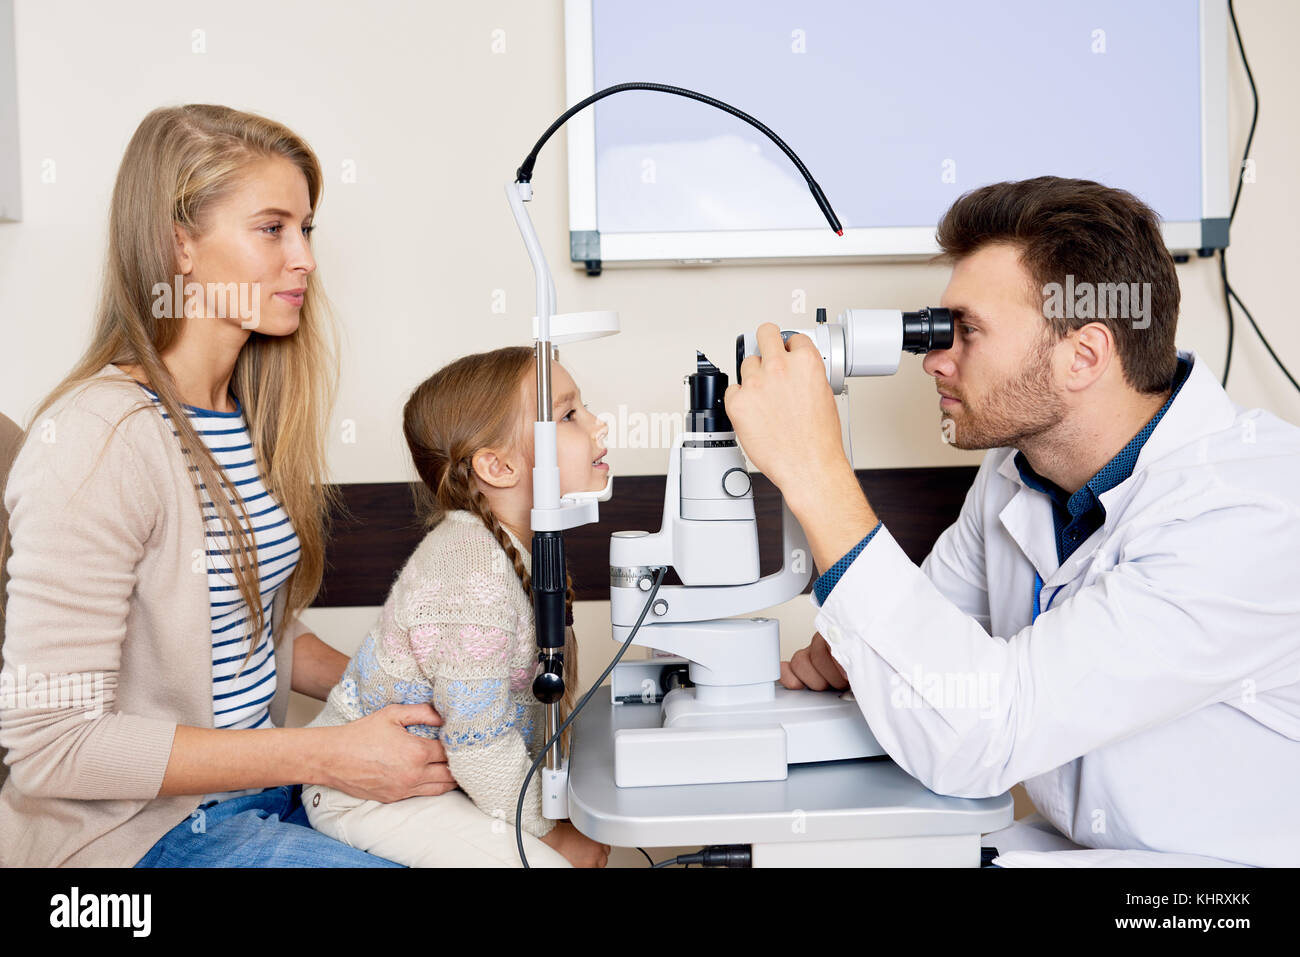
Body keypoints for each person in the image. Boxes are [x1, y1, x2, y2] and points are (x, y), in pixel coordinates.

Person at [723, 176, 1300, 867]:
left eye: (965, 331)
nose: (936, 358)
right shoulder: (1015, 470)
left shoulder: (1251, 512)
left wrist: (816, 471)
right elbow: (928, 647)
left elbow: (982, 729)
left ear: (1083, 355)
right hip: (1091, 848)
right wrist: (860, 655)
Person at [0, 104, 453, 867]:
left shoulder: (242, 418)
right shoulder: (97, 438)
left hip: (264, 796)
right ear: (180, 243)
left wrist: (393, 699)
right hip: (137, 837)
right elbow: (52, 741)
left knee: (543, 841)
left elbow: (251, 635)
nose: (304, 257)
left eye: (306, 228)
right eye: (272, 228)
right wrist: (326, 754)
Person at [302, 347, 613, 868]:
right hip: (365, 795)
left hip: (451, 775)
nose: (599, 424)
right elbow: (479, 742)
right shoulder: (469, 576)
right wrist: (549, 835)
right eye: (569, 414)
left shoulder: (520, 550)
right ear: (497, 465)